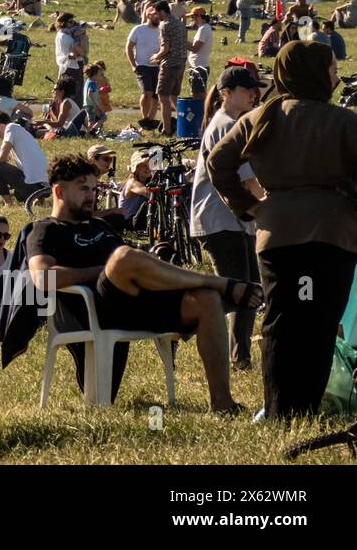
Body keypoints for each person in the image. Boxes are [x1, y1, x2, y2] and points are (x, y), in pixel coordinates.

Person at [27, 153, 258, 412]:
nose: (91, 195)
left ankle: (223, 403)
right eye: (83, 188)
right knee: (123, 257)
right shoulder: (46, 230)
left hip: (136, 303)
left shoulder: (100, 227)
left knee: (206, 300)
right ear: (59, 190)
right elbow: (42, 277)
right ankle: (219, 283)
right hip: (96, 308)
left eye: (93, 188)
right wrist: (104, 269)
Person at [209, 41, 357, 418]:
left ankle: (279, 407)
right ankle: (306, 406)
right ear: (315, 73)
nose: (337, 78)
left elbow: (217, 163)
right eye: (332, 71)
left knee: (281, 320)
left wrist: (248, 207)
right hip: (332, 233)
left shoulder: (261, 117)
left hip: (276, 234)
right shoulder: (343, 121)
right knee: (319, 321)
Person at [190, 66, 266, 371]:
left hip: (235, 220)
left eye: (254, 90)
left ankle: (240, 356)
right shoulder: (226, 125)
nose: (253, 94)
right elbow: (247, 180)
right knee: (238, 292)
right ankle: (181, 322)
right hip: (219, 221)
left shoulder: (234, 122)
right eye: (247, 90)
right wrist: (268, 206)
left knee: (248, 291)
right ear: (226, 94)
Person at [0, 110, 48, 203]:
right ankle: (37, 198)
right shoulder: (20, 131)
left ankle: (8, 203)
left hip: (33, 183)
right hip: (44, 185)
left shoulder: (11, 127)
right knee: (19, 195)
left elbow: (1, 158)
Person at [152, 0, 186, 135]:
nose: (155, 16)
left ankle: (167, 130)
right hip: (181, 64)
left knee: (163, 97)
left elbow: (165, 48)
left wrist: (157, 56)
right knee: (174, 97)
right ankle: (182, 125)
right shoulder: (180, 23)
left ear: (161, 11)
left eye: (156, 12)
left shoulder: (164, 25)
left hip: (169, 64)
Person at [126, 2, 161, 127]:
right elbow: (129, 47)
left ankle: (150, 122)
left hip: (158, 67)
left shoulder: (162, 29)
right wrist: (133, 65)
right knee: (147, 93)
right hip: (142, 65)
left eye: (158, 14)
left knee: (156, 97)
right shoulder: (139, 29)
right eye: (154, 15)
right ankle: (144, 118)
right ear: (148, 16)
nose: (157, 17)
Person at [53, 13, 84, 103]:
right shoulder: (65, 36)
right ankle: (74, 114)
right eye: (70, 22)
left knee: (70, 92)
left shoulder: (64, 34)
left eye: (73, 21)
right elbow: (71, 54)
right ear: (63, 23)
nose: (73, 24)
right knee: (74, 93)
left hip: (68, 65)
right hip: (72, 66)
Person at [186, 6, 212, 97]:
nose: (192, 20)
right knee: (197, 93)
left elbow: (195, 48)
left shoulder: (203, 29)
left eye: (193, 17)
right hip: (198, 66)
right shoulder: (204, 28)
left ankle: (204, 111)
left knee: (199, 95)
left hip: (198, 67)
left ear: (199, 17)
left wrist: (181, 41)